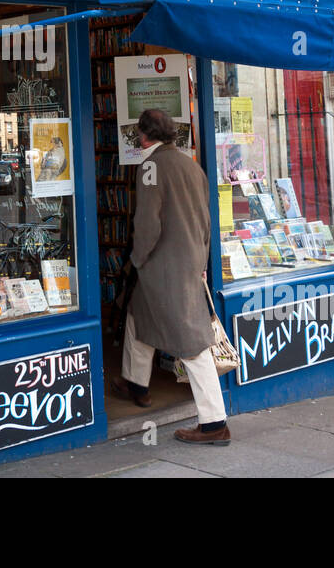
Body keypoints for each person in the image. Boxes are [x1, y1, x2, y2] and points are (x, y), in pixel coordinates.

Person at [110, 108, 232, 445]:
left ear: (144, 136)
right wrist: (201, 260)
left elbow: (148, 224)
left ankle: (214, 422)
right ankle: (135, 382)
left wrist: (136, 260)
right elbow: (206, 222)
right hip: (187, 264)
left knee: (192, 346)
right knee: (137, 314)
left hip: (162, 269)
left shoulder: (150, 167)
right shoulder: (192, 166)